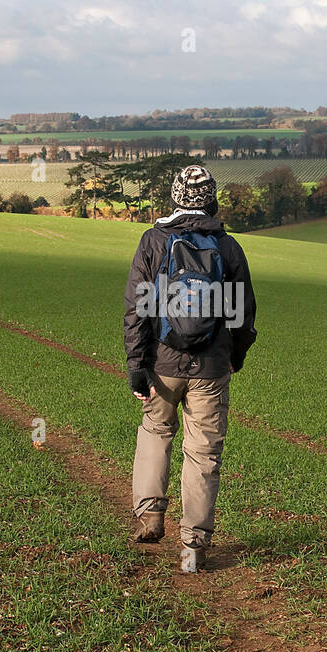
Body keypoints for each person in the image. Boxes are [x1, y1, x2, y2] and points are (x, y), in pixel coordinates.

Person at [123, 164, 257, 572]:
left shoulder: (153, 241)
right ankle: (194, 547)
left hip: (162, 363)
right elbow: (242, 312)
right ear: (211, 200)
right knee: (203, 452)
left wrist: (136, 365)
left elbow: (138, 309)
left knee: (156, 431)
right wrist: (236, 355)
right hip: (211, 368)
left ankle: (150, 516)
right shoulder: (228, 247)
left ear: (175, 198)